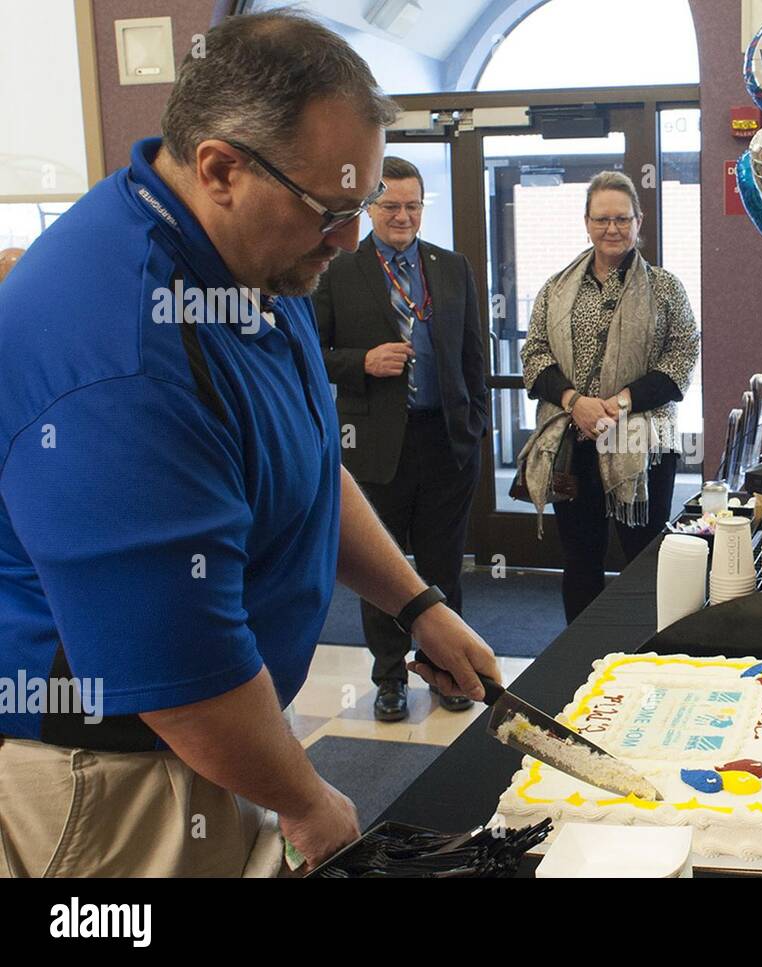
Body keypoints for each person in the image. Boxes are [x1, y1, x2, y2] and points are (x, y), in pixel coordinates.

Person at [0, 12, 498, 877]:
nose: (349, 241)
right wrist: (306, 798)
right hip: (111, 773)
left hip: (215, 733)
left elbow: (308, 462)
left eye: (361, 205)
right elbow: (181, 669)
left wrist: (417, 602)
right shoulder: (125, 355)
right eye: (331, 210)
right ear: (221, 168)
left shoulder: (252, 257)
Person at [315, 156, 489, 721]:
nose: (403, 216)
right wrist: (361, 361)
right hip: (374, 448)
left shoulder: (450, 266)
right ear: (369, 207)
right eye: (391, 206)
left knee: (442, 567)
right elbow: (308, 357)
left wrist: (474, 428)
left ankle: (448, 673)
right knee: (383, 571)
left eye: (413, 206)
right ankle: (389, 677)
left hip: (446, 442)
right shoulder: (338, 269)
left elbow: (473, 357)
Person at [519, 171, 700, 623]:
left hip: (642, 446)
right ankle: (580, 661)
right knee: (581, 560)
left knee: (644, 558)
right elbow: (534, 352)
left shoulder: (665, 288)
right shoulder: (557, 288)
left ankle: (646, 656)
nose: (612, 228)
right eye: (602, 219)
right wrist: (573, 401)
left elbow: (681, 360)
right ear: (586, 222)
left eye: (622, 218)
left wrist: (620, 403)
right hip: (572, 441)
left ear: (640, 222)